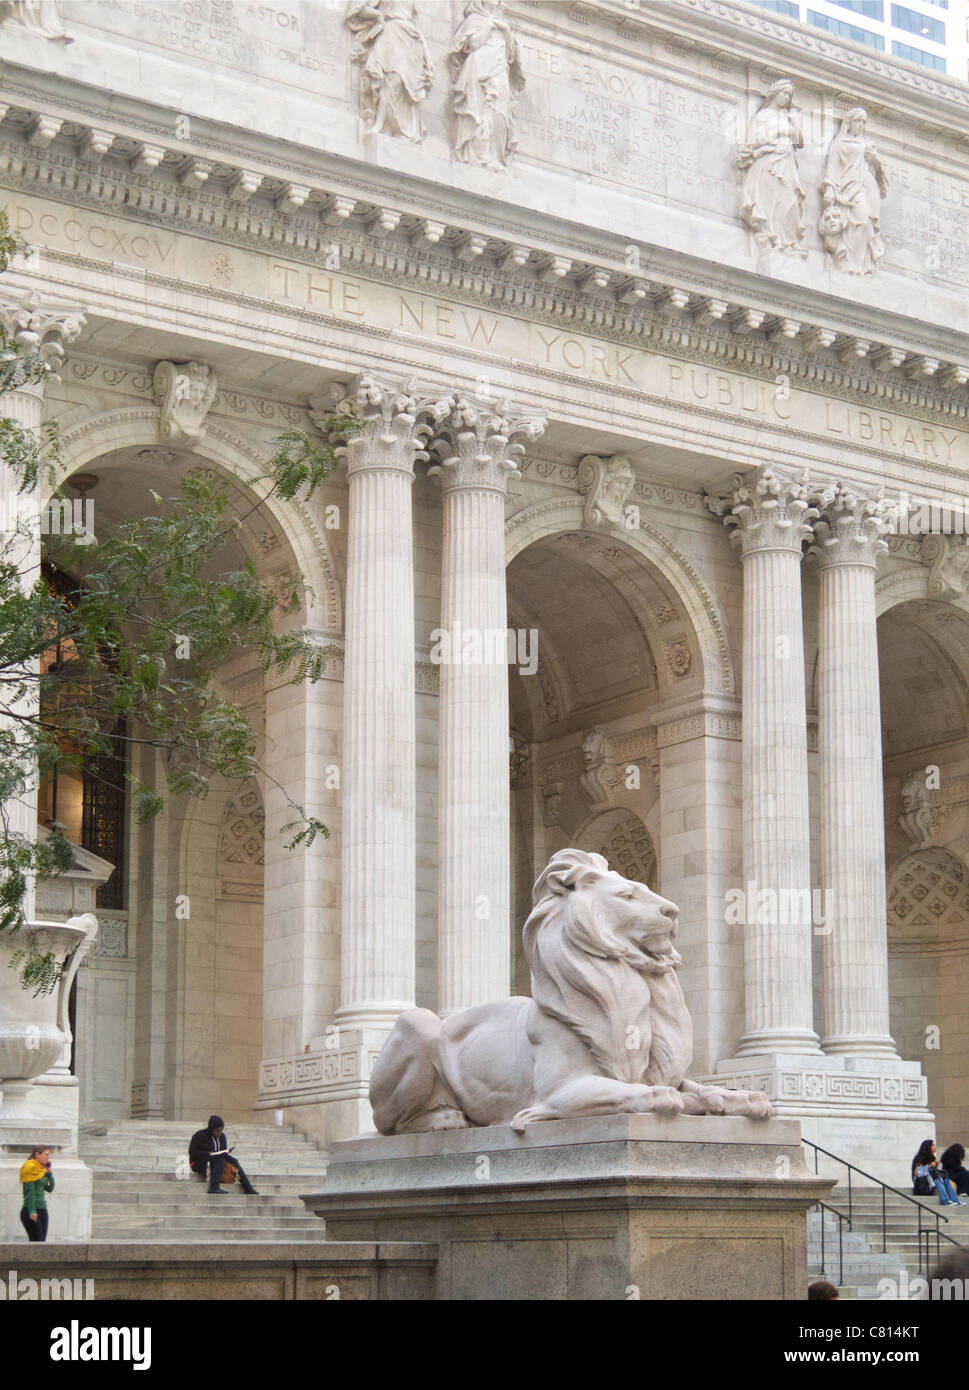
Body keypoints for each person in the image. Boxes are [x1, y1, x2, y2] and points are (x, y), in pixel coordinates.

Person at [188, 1115, 258, 1196]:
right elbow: (192, 1152)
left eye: (220, 1130)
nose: (219, 1133)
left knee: (233, 1161)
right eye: (217, 1131)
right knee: (220, 1159)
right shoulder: (200, 1135)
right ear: (211, 1129)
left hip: (215, 1161)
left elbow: (222, 1152)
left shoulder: (222, 1137)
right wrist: (207, 1153)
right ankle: (214, 1186)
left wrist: (225, 1153)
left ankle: (247, 1187)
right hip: (198, 1162)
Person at [912, 1138, 963, 1206]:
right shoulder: (919, 1158)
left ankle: (956, 1200)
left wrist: (936, 1164)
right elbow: (916, 1173)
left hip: (930, 1178)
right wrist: (929, 1166)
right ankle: (946, 1201)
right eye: (933, 1145)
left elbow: (932, 1171)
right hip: (921, 1182)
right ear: (927, 1147)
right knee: (938, 1178)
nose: (935, 1147)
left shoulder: (932, 1157)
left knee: (945, 1178)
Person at [19, 1145, 54, 1241]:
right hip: (31, 1210)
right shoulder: (29, 1167)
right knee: (36, 1243)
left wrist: (49, 1173)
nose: (48, 1158)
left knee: (41, 1244)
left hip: (43, 1209)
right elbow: (29, 1192)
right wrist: (32, 1211)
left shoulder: (41, 1170)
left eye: (49, 1155)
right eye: (46, 1155)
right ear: (37, 1154)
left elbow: (50, 1189)